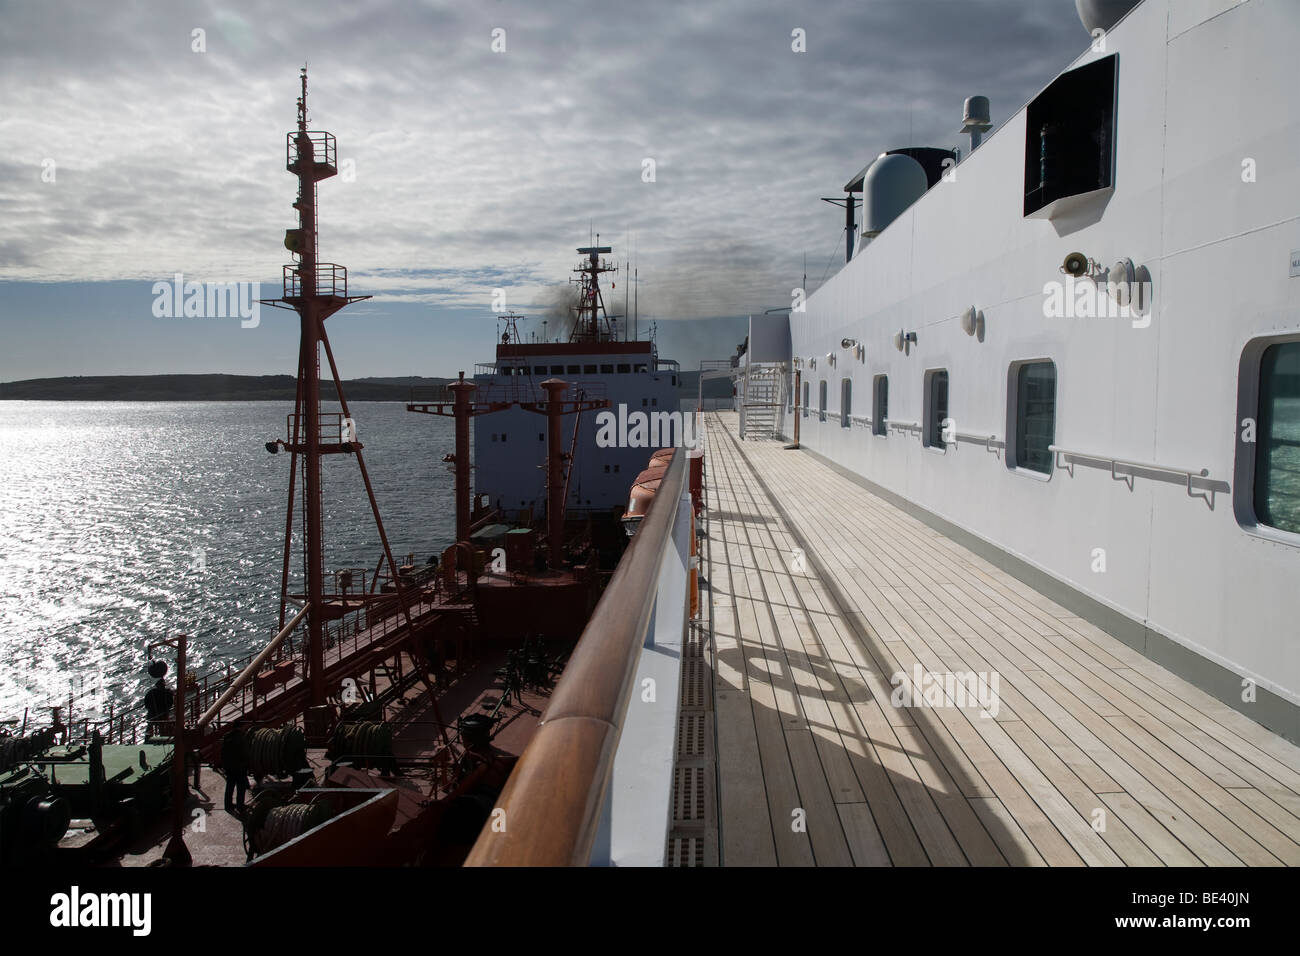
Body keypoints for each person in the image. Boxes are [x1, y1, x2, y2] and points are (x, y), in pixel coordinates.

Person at [222, 721, 250, 815]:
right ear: (240, 727)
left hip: (229, 766)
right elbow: (245, 752)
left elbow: (223, 752)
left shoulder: (227, 736)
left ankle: (228, 804)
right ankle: (240, 806)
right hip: (239, 767)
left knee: (230, 786)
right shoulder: (241, 738)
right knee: (241, 787)